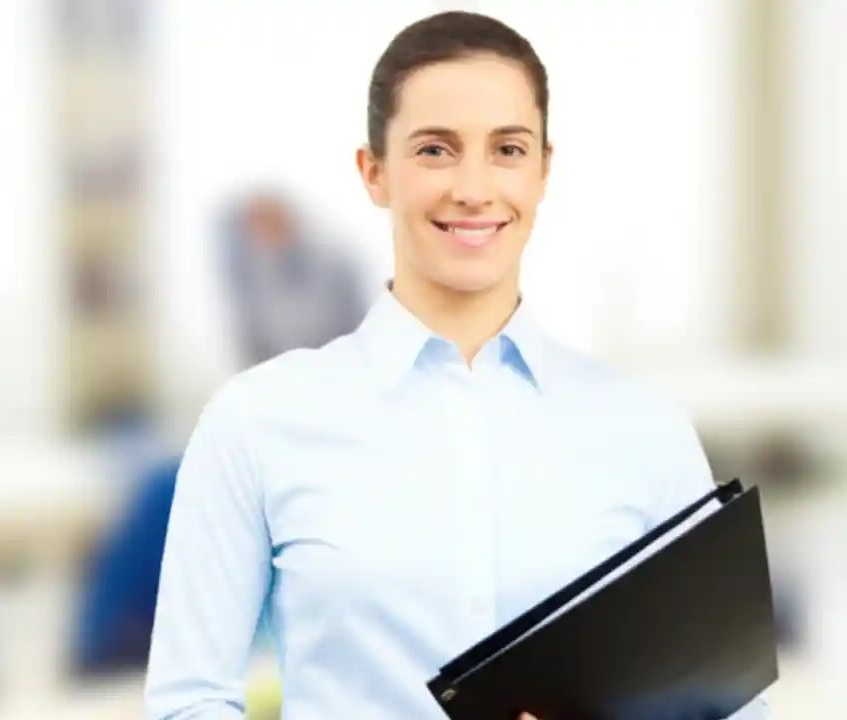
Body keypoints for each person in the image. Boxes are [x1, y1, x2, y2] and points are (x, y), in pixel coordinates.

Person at [145, 11, 770, 720]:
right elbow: (187, 705)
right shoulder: (256, 424)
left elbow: (724, 710)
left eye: (507, 149)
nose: (473, 188)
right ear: (373, 172)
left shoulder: (644, 429)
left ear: (542, 171)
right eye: (436, 151)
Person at [222, 190, 367, 368]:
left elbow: (353, 324)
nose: (264, 238)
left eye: (269, 225)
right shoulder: (255, 285)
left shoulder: (333, 268)